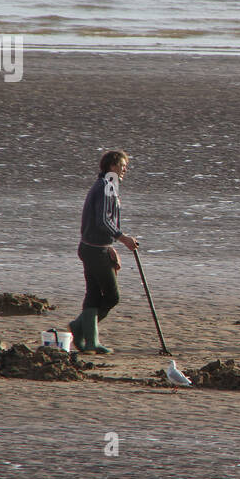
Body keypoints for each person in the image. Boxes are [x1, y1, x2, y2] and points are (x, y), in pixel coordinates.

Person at [69, 150, 138, 353]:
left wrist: (112, 244)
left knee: (92, 294)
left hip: (90, 248)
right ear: (112, 166)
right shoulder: (107, 186)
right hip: (95, 251)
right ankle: (81, 330)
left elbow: (103, 220)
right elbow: (103, 221)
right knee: (111, 296)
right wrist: (122, 238)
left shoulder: (104, 184)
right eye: (123, 166)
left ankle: (89, 340)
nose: (125, 169)